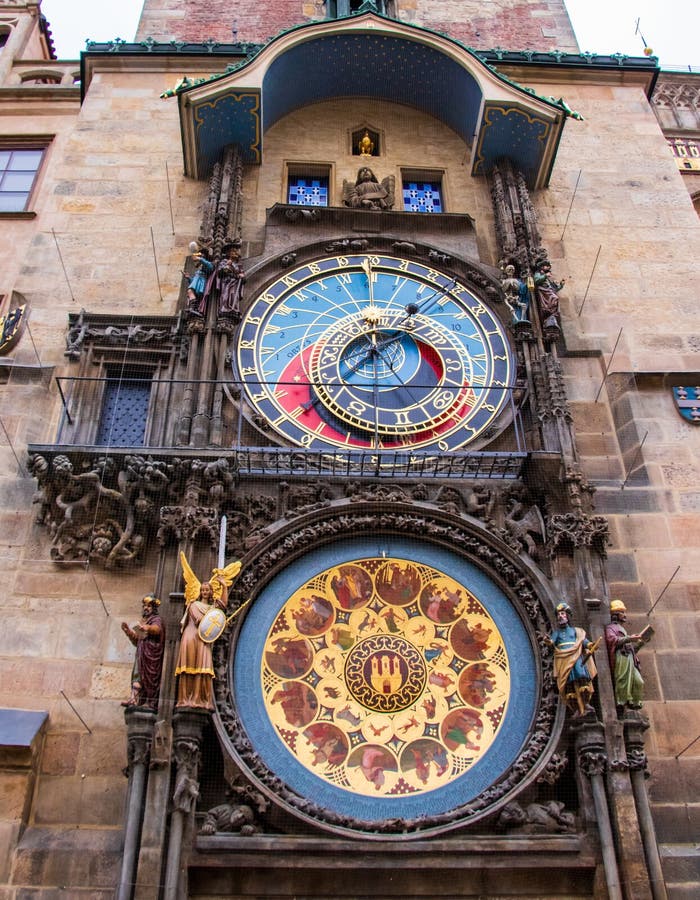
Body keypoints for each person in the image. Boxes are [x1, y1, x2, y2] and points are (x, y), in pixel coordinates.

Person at [175, 553, 241, 710]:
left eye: (207, 590)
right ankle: (185, 698)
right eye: (203, 589)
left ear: (211, 592)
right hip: (192, 636)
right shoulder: (194, 605)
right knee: (189, 666)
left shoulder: (212, 607)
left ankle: (201, 698)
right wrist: (216, 620)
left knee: (204, 667)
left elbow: (222, 605)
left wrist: (223, 585)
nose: (205, 591)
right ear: (199, 591)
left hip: (203, 639)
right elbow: (201, 622)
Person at [545, 602, 600, 717]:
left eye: (563, 613)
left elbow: (582, 641)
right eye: (559, 614)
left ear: (568, 616)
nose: (560, 616)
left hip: (576, 657)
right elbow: (552, 642)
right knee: (568, 685)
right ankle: (575, 708)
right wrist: (548, 642)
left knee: (582, 678)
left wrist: (590, 645)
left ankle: (585, 704)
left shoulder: (576, 631)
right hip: (563, 659)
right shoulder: (557, 633)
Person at [121, 594, 165, 709]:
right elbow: (137, 640)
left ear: (153, 608)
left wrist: (148, 628)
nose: (146, 608)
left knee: (148, 678)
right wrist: (129, 632)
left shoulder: (156, 619)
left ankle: (147, 701)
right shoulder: (144, 622)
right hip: (142, 654)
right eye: (145, 606)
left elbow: (157, 629)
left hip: (151, 656)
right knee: (137, 676)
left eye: (149, 606)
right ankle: (133, 699)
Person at [605, 599, 648, 710]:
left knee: (639, 682)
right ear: (615, 615)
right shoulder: (611, 628)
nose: (624, 615)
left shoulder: (622, 629)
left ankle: (635, 703)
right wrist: (629, 638)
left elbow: (632, 649)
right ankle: (622, 702)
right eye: (622, 612)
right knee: (623, 679)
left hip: (629, 657)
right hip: (621, 657)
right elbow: (612, 640)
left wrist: (640, 643)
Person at [206, 242, 246, 321]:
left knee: (234, 296)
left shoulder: (238, 265)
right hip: (226, 282)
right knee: (226, 295)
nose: (235, 253)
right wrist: (227, 265)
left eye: (235, 251)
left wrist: (242, 276)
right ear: (228, 253)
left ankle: (234, 308)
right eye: (233, 251)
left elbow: (243, 278)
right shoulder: (224, 261)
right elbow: (220, 272)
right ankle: (225, 308)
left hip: (234, 283)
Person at [186, 247, 214, 317]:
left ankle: (193, 308)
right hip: (197, 281)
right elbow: (194, 281)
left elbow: (210, 267)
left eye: (201, 255)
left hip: (201, 281)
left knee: (190, 291)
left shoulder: (206, 264)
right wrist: (189, 278)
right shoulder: (200, 267)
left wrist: (200, 259)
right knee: (191, 292)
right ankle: (194, 309)